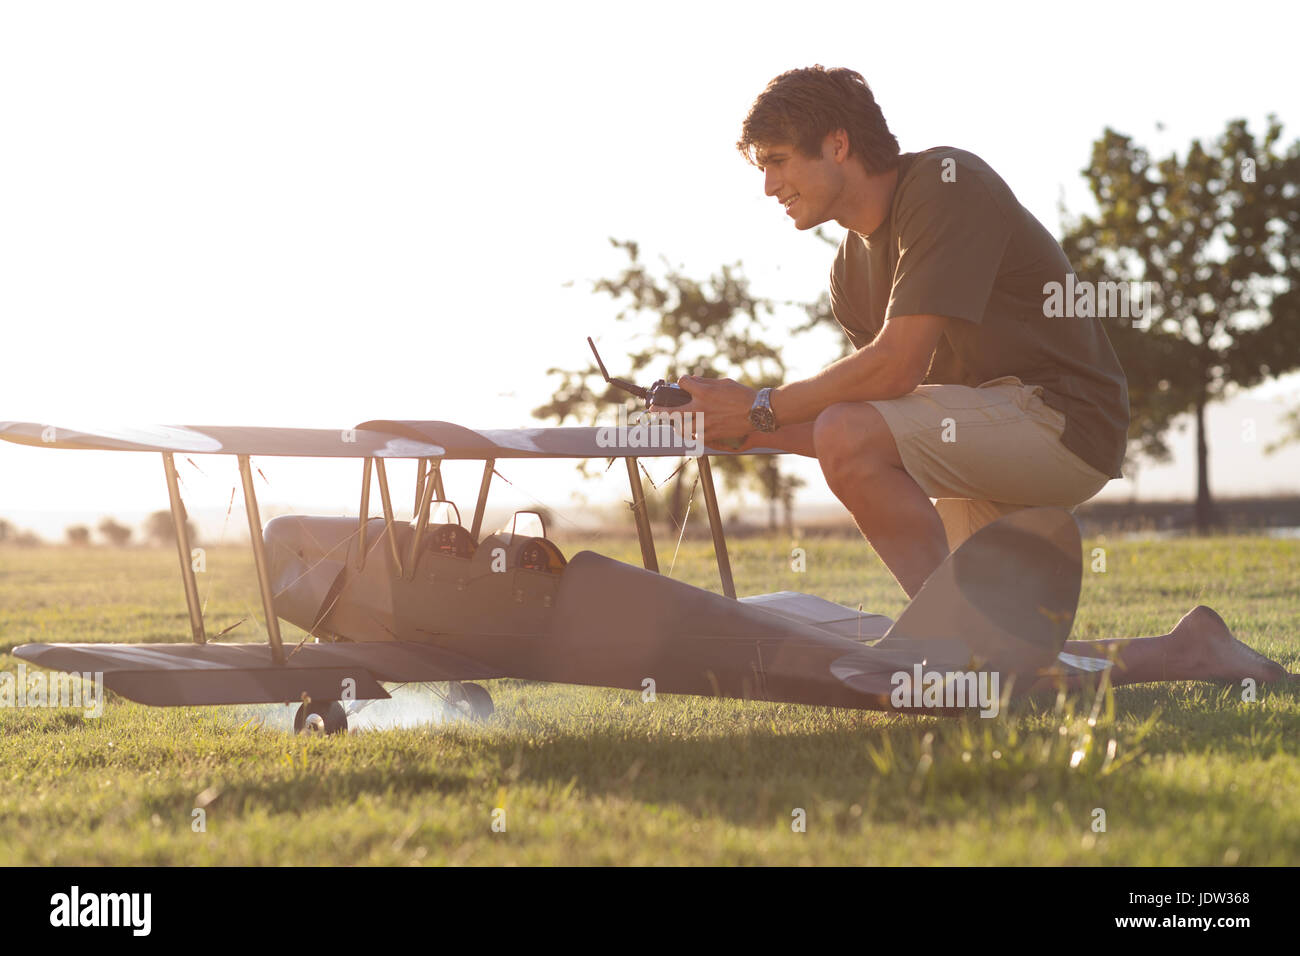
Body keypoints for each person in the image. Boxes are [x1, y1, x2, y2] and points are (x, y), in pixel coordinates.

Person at [659, 65, 1292, 688]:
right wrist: (740, 432)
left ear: (838, 144)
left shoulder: (944, 184)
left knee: (962, 639)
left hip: (1062, 420)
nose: (769, 186)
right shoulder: (848, 273)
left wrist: (760, 406)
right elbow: (865, 421)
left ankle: (947, 653)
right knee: (1008, 649)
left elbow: (895, 369)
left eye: (777, 160)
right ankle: (1189, 653)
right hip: (982, 444)